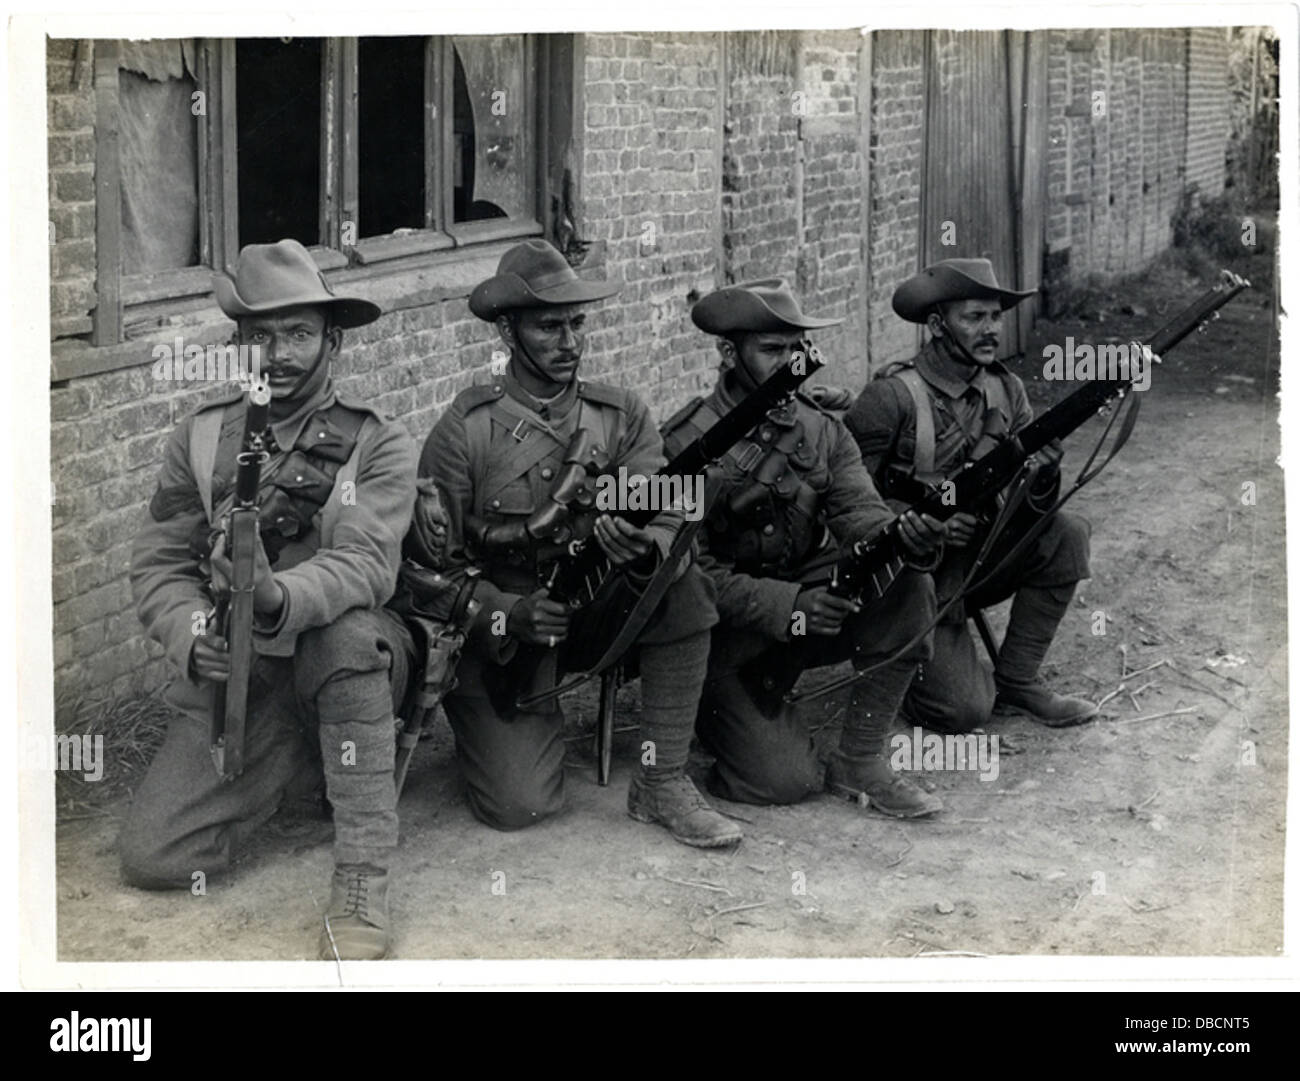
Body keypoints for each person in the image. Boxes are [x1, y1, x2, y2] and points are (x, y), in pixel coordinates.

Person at [121, 239, 418, 960]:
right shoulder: (201, 437)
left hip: (350, 660)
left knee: (342, 636)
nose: (280, 354)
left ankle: (363, 869)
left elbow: (363, 565)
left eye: (299, 333)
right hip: (246, 674)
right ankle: (297, 765)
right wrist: (196, 632)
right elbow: (159, 558)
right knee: (154, 856)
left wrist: (277, 594)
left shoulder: (376, 442)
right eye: (262, 335)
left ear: (332, 339)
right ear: (239, 341)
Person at [418, 238, 741, 848]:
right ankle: (505, 727)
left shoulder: (620, 417)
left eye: (576, 324)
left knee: (684, 584)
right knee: (522, 807)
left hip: (594, 607)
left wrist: (645, 550)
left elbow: (665, 506)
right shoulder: (465, 431)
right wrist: (505, 612)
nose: (569, 343)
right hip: (505, 640)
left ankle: (661, 778)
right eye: (548, 327)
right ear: (507, 333)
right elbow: (428, 572)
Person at [661, 279, 948, 817]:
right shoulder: (685, 444)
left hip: (804, 614)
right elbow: (690, 575)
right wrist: (788, 604)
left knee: (907, 583)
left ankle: (861, 759)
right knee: (783, 783)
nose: (790, 362)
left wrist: (900, 536)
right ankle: (735, 722)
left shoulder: (822, 430)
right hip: (721, 639)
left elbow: (859, 513)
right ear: (728, 353)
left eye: (797, 349)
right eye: (772, 350)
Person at [843, 257, 1096, 731]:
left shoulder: (1006, 388)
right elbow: (848, 502)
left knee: (1066, 533)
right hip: (913, 578)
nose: (991, 330)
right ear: (938, 325)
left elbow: (1026, 505)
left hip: (978, 560)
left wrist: (1042, 476)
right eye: (974, 317)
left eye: (995, 316)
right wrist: (917, 519)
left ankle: (1018, 679)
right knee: (962, 712)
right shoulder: (891, 397)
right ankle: (903, 667)